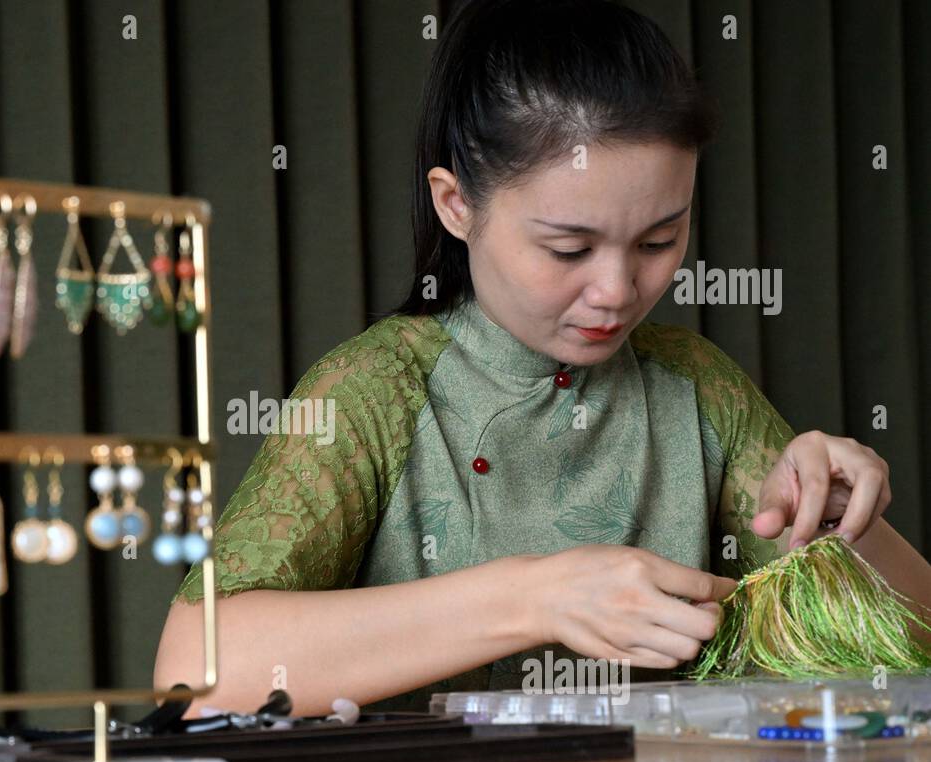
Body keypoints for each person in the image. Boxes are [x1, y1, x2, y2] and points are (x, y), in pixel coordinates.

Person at [153, 0, 931, 716]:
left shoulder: (692, 383)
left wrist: (845, 523)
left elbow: (909, 644)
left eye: (661, 241)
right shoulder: (378, 391)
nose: (618, 290)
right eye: (569, 247)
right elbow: (195, 671)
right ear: (456, 205)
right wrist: (535, 598)